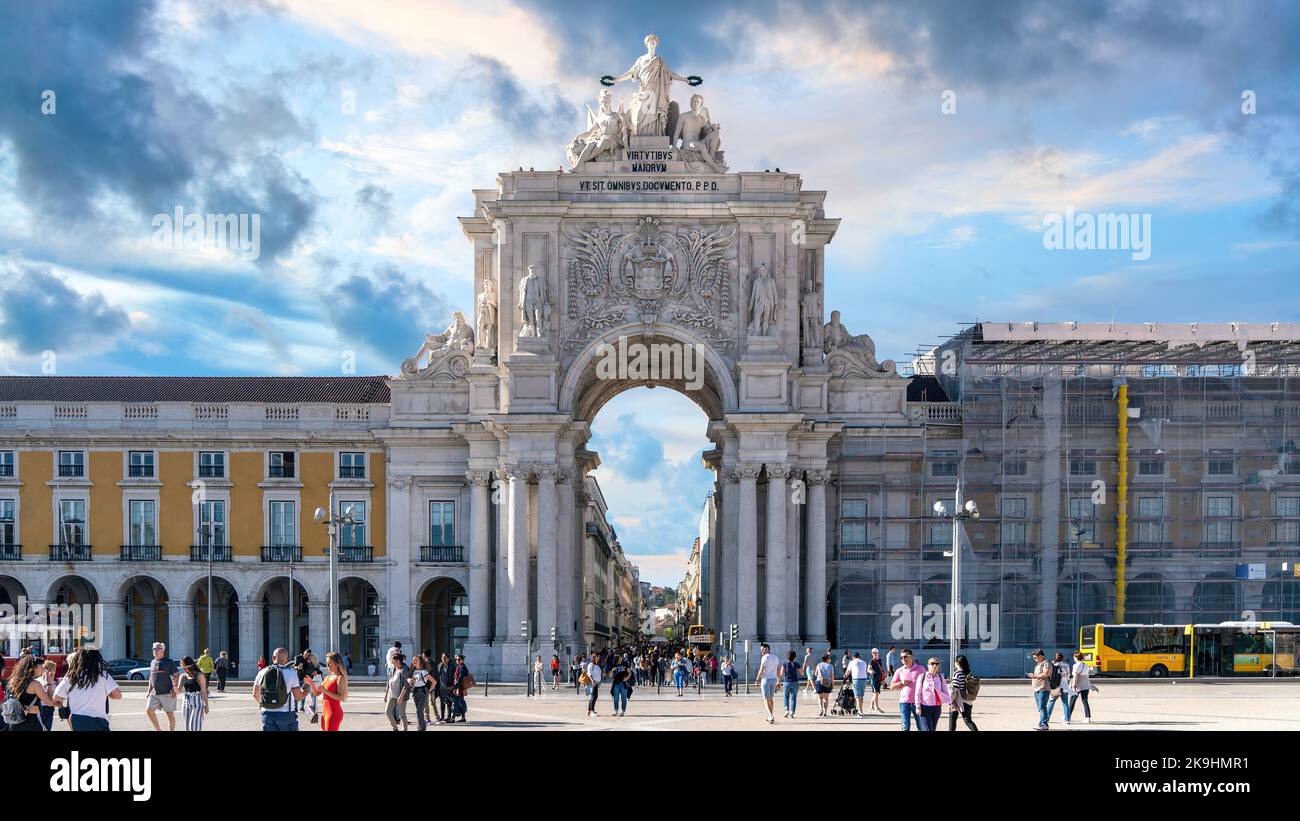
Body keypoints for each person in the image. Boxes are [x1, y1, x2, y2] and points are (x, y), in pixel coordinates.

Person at [53, 648, 122, 731]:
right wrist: (105, 693)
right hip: (98, 720)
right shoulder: (102, 675)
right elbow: (117, 695)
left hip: (77, 720)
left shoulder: (71, 676)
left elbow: (55, 697)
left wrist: (63, 705)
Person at [252, 647, 306, 731]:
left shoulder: (262, 672)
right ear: (287, 659)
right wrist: (306, 690)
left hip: (267, 714)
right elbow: (298, 697)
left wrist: (266, 704)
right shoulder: (291, 673)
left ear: (273, 658)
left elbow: (255, 694)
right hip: (286, 713)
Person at [4, 654, 56, 731]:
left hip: (14, 720)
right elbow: (50, 702)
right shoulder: (34, 684)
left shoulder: (12, 681)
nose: (43, 670)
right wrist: (49, 683)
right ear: (33, 668)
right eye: (41, 667)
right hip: (31, 721)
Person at [301, 651, 348, 731]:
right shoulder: (328, 677)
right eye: (327, 663)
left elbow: (341, 697)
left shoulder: (340, 678)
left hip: (334, 713)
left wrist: (325, 691)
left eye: (330, 663)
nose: (328, 666)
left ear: (337, 664)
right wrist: (311, 683)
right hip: (325, 712)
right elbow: (316, 693)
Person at [144, 642, 179, 732]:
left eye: (157, 649)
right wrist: (149, 691)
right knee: (149, 710)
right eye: (154, 649)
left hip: (168, 693)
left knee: (169, 714)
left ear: (163, 650)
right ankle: (158, 729)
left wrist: (174, 689)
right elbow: (151, 677)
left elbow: (176, 675)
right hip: (154, 693)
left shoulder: (168, 662)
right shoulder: (152, 662)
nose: (155, 651)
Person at [889, 650, 924, 731]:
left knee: (921, 727)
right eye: (901, 657)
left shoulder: (920, 668)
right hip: (904, 703)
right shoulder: (899, 670)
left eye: (905, 656)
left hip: (918, 702)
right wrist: (900, 683)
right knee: (905, 727)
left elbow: (926, 683)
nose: (903, 659)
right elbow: (891, 686)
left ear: (911, 657)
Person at [914, 658, 950, 731]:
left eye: (937, 664)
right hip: (924, 707)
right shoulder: (922, 676)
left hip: (936, 708)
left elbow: (945, 692)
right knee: (928, 729)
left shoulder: (940, 677)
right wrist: (918, 706)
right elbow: (917, 693)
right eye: (932, 663)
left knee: (933, 729)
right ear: (928, 665)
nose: (934, 665)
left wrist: (950, 703)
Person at [947, 654, 979, 731]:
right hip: (968, 699)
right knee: (968, 720)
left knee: (952, 718)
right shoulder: (968, 673)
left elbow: (955, 689)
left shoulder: (957, 673)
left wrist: (950, 701)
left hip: (959, 700)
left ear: (957, 663)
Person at [178, 656, 209, 732]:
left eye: (183, 665)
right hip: (186, 702)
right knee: (187, 728)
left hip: (197, 702)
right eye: (181, 665)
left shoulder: (199, 675)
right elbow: (178, 691)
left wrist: (206, 705)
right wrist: (174, 682)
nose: (182, 667)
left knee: (194, 727)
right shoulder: (183, 676)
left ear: (189, 665)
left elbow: (204, 691)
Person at [755, 642, 781, 724]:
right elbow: (778, 670)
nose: (762, 651)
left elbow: (761, 670)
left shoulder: (764, 658)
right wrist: (778, 681)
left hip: (765, 680)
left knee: (766, 699)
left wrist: (757, 680)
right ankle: (770, 716)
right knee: (771, 699)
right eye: (761, 650)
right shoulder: (775, 657)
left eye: (763, 649)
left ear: (767, 649)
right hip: (773, 679)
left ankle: (770, 715)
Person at [385, 652, 411, 731]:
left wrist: (401, 696)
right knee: (387, 712)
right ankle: (395, 728)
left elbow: (406, 685)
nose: (392, 662)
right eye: (392, 660)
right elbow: (389, 681)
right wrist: (386, 694)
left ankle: (405, 729)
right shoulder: (393, 668)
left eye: (394, 661)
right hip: (392, 695)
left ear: (399, 661)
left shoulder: (404, 670)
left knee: (402, 714)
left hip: (401, 695)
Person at [1028, 649, 1052, 730]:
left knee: (1042, 707)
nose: (1034, 659)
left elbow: (1045, 674)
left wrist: (1034, 676)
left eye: (1035, 657)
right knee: (1040, 708)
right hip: (1037, 689)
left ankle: (1044, 724)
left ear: (1041, 656)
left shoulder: (1046, 663)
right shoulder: (1038, 664)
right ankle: (1041, 723)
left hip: (1043, 688)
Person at [1047, 651, 1074, 725]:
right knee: (1065, 703)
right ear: (1062, 658)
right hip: (1065, 686)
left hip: (1055, 686)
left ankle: (1047, 718)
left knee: (1051, 702)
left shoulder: (1053, 665)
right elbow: (1068, 676)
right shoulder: (1066, 665)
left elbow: (1050, 676)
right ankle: (1067, 719)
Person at [407, 654, 432, 731]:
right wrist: (410, 681)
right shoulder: (413, 671)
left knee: (419, 711)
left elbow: (434, 681)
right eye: (413, 660)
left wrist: (429, 690)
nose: (414, 661)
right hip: (415, 692)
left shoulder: (424, 671)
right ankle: (422, 727)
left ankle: (420, 728)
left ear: (420, 662)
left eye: (416, 660)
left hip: (422, 692)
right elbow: (412, 682)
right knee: (419, 711)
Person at [1069, 650, 1093, 724]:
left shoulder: (1075, 665)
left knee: (1072, 700)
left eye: (1074, 656)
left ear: (1076, 657)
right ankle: (1087, 717)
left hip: (1078, 685)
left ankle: (1068, 716)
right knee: (1085, 700)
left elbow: (1075, 676)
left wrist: (1074, 685)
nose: (1073, 657)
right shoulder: (1085, 665)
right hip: (1085, 684)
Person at [846, 651, 870, 717]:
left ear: (853, 657)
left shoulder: (852, 662)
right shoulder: (864, 662)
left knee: (857, 696)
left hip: (856, 680)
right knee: (861, 696)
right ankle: (861, 710)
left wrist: (845, 676)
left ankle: (860, 712)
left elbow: (848, 672)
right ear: (859, 656)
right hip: (864, 680)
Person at [449, 653, 471, 722]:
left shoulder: (462, 667)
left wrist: (455, 687)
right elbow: (456, 678)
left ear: (462, 660)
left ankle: (453, 718)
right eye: (456, 659)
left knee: (457, 701)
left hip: (460, 687)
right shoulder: (459, 666)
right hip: (459, 687)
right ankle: (463, 717)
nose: (457, 660)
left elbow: (460, 678)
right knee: (461, 702)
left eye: (459, 659)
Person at [780, 650, 802, 718]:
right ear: (794, 657)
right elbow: (802, 673)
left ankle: (786, 710)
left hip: (787, 682)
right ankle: (792, 713)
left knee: (786, 697)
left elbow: (781, 673)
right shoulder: (797, 664)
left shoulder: (784, 664)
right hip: (795, 682)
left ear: (787, 656)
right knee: (793, 698)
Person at [435, 652, 455, 723]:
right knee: (442, 702)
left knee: (449, 702)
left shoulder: (452, 666)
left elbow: (455, 677)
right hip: (441, 687)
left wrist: (453, 686)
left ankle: (448, 716)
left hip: (449, 687)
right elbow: (437, 675)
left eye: (445, 657)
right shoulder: (440, 665)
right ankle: (442, 716)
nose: (443, 659)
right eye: (442, 657)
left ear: (448, 658)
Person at [38, 659, 57, 730]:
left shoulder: (37, 681)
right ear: (49, 670)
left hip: (39, 707)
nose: (55, 672)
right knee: (47, 727)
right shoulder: (51, 682)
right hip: (47, 708)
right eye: (54, 670)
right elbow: (53, 698)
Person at [867, 649, 887, 713]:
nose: (874, 654)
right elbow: (868, 669)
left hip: (879, 678)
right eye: (873, 653)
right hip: (874, 679)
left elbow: (880, 669)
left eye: (875, 652)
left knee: (875, 693)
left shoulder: (880, 660)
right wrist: (871, 671)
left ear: (878, 653)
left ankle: (871, 707)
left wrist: (882, 679)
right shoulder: (871, 661)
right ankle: (876, 707)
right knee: (876, 693)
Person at [585, 652, 603, 717]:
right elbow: (589, 673)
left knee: (593, 696)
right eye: (597, 657)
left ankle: (589, 711)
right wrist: (593, 681)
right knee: (594, 696)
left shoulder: (596, 665)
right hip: (592, 682)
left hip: (596, 683)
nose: (598, 658)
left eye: (599, 657)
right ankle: (592, 711)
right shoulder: (591, 664)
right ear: (594, 658)